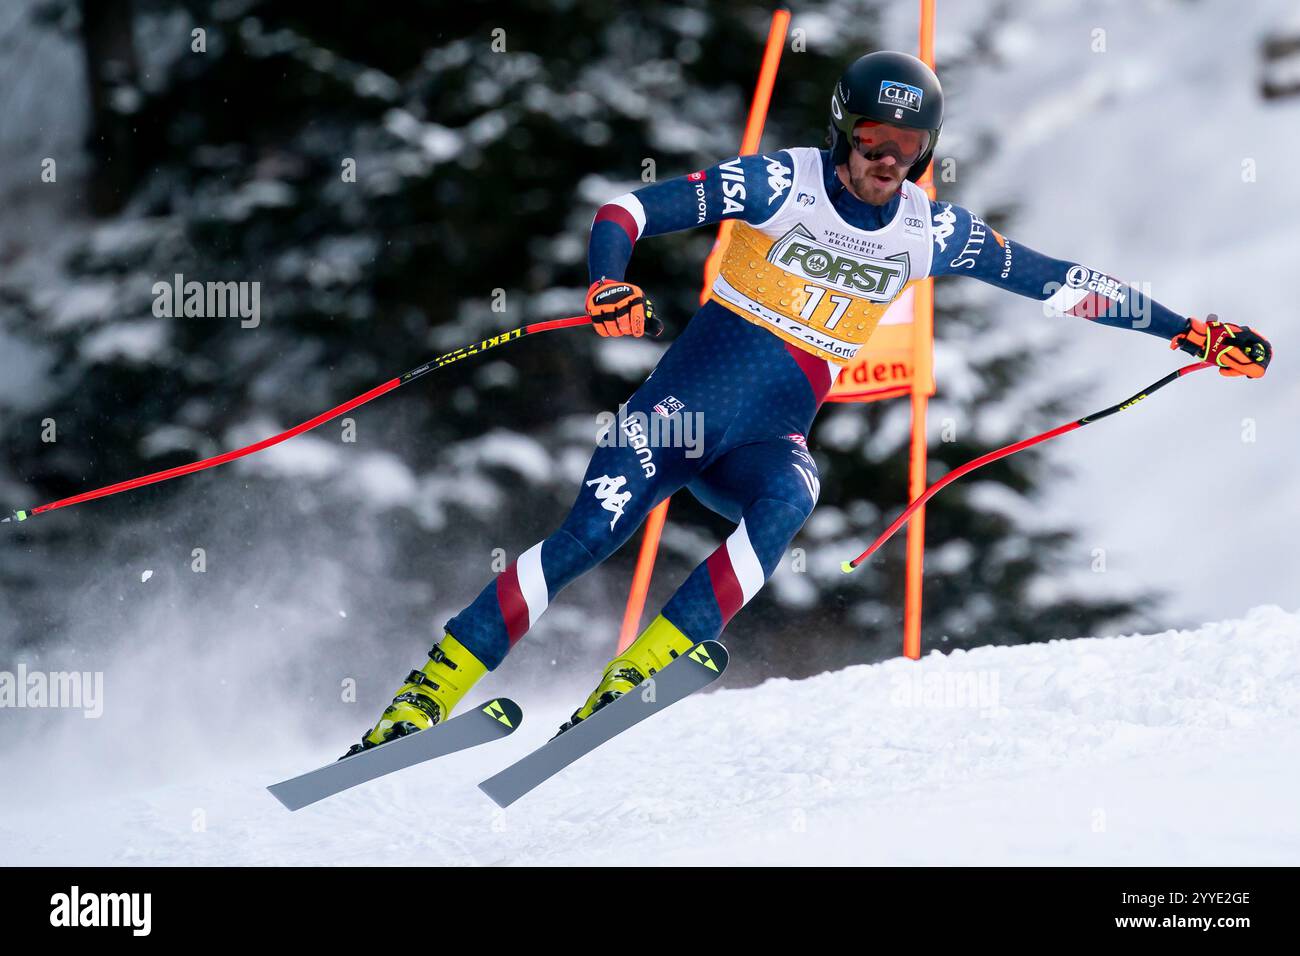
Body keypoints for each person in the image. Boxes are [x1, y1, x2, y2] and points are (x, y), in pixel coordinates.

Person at [345, 50, 1272, 756]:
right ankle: (426, 696)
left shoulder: (926, 228)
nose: (887, 163)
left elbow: (1058, 280)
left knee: (792, 496)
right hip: (675, 419)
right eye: (874, 141)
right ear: (844, 130)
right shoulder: (782, 183)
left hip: (764, 438)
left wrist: (1190, 332)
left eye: (908, 151)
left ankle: (640, 673)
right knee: (588, 538)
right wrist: (605, 284)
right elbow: (627, 210)